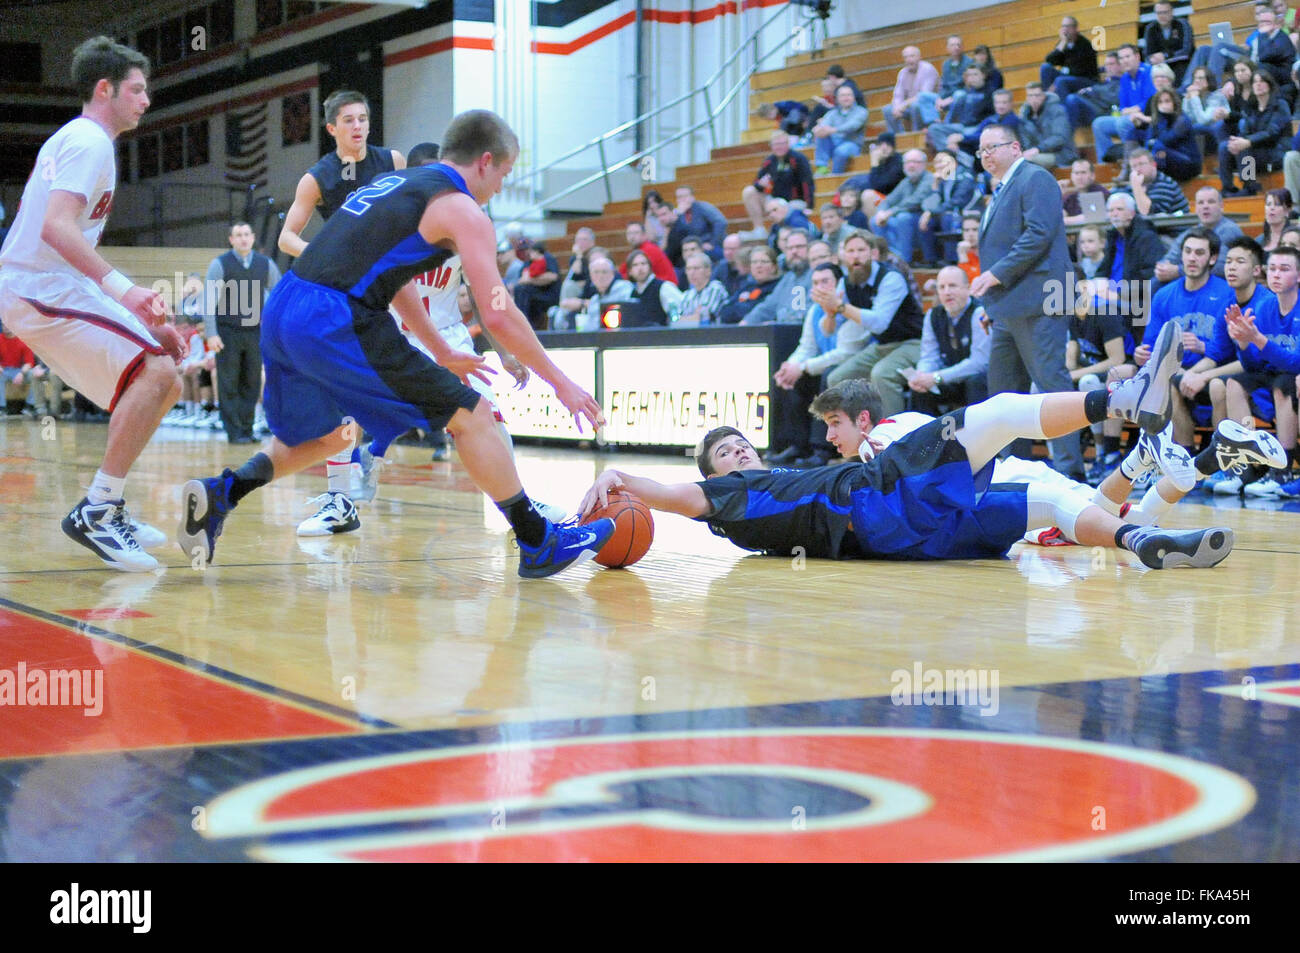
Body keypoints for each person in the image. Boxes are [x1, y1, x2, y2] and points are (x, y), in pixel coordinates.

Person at [178, 109, 615, 579]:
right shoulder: (463, 209)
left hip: (286, 306)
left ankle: (221, 494)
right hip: (335, 314)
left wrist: (442, 351)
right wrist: (563, 383)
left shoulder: (391, 185)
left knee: (329, 434)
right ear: (485, 161)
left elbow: (396, 278)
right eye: (504, 175)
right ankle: (537, 541)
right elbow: (497, 310)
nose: (501, 188)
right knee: (473, 415)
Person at [578, 322, 1235, 570]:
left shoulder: (772, 497)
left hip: (914, 538)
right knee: (1002, 411)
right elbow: (686, 496)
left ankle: (1140, 541)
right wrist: (625, 482)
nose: (740, 454)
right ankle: (1125, 403)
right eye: (726, 453)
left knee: (1041, 501)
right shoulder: (736, 499)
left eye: (743, 445)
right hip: (881, 499)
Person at [0, 36, 182, 572]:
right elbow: (56, 229)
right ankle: (98, 511)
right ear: (104, 89)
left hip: (50, 285)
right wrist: (127, 291)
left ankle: (106, 504)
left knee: (164, 371)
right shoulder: (89, 142)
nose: (146, 100)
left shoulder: (86, 140)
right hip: (38, 285)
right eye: (137, 89)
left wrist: (140, 320)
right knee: (157, 371)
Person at [276, 89, 406, 535]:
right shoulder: (318, 177)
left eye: (364, 118)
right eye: (348, 120)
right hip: (349, 294)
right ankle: (340, 494)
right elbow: (286, 238)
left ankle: (520, 505)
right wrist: (325, 254)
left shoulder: (392, 161)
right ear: (331, 128)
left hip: (400, 288)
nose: (358, 126)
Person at [970, 126, 1082, 480]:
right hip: (1008, 307)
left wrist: (996, 275)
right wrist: (993, 303)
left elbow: (1039, 234)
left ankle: (1070, 475)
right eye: (981, 151)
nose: (986, 155)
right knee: (1003, 397)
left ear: (1015, 147)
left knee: (1052, 387)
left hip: (1043, 300)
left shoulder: (1036, 178)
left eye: (993, 147)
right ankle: (1011, 473)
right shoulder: (1000, 189)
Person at [767, 262, 868, 467]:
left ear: (840, 284)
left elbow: (845, 353)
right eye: (815, 283)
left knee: (827, 375)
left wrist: (803, 367)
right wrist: (791, 365)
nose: (820, 287)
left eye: (825, 282)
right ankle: (797, 444)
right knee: (791, 377)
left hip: (855, 368)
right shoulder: (814, 311)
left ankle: (822, 449)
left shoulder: (852, 307)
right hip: (826, 365)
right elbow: (806, 347)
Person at [1220, 245, 1300, 496]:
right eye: (1272, 268)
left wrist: (1259, 339)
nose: (1276, 274)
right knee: (1235, 383)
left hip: (1291, 379)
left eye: (1284, 269)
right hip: (1274, 375)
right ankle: (1244, 464)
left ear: (1298, 275)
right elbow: (1253, 366)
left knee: (1284, 383)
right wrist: (1244, 343)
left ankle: (1283, 470)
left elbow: (1297, 363)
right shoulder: (1265, 307)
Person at [819, 231, 925, 415]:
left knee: (882, 374)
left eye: (861, 250)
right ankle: (853, 436)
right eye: (850, 251)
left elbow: (879, 323)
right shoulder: (846, 282)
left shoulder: (891, 278)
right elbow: (828, 331)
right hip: (883, 345)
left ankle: (891, 437)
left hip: (915, 343)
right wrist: (829, 314)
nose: (856, 255)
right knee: (837, 378)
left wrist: (841, 307)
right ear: (844, 256)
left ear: (873, 254)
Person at [203, 221, 280, 445]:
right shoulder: (220, 264)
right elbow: (209, 302)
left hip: (257, 332)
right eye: (238, 235)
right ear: (231, 240)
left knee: (252, 382)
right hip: (227, 332)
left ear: (253, 238)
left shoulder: (266, 264)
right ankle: (234, 431)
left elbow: (278, 297)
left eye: (247, 234)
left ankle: (247, 429)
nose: (243, 238)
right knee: (228, 382)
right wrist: (211, 333)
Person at [907, 266, 990, 414]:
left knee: (975, 382)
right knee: (919, 390)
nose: (947, 292)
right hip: (949, 378)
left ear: (968, 288)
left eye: (952, 286)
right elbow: (929, 356)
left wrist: (936, 377)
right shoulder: (932, 315)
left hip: (977, 379)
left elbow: (979, 363)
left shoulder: (979, 313)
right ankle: (926, 435)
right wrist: (922, 376)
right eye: (942, 287)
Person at [1219, 70, 1290, 197]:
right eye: (1255, 82)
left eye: (1262, 81)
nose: (1258, 84)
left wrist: (1247, 142)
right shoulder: (1251, 107)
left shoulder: (1280, 105)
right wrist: (1237, 141)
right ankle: (1227, 187)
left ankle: (1250, 187)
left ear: (1269, 85)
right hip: (1254, 151)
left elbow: (1272, 133)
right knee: (1225, 147)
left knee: (1244, 148)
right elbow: (1245, 131)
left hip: (1275, 151)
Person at [1154, 187, 1243, 285]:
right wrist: (1162, 269)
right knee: (1154, 283)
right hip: (1187, 282)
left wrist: (1178, 271)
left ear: (1221, 206)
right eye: (1201, 203)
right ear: (1195, 208)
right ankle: (1137, 299)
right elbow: (1170, 257)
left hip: (1219, 285)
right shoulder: (1190, 232)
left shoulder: (1230, 230)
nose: (1205, 206)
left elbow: (1220, 267)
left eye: (1211, 202)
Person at [739, 131, 815, 241]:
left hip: (795, 202)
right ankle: (759, 229)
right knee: (749, 191)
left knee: (789, 209)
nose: (780, 147)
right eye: (776, 144)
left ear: (788, 144)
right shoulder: (769, 161)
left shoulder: (799, 159)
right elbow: (757, 182)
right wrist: (760, 185)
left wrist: (809, 206)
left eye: (782, 143)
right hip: (774, 200)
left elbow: (807, 183)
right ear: (771, 146)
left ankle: (783, 234)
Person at [1091, 44, 1156, 164]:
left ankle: (1131, 162)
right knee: (1098, 124)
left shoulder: (1148, 71)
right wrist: (1131, 110)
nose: (1124, 61)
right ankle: (1105, 164)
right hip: (1130, 116)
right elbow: (1123, 106)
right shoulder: (1124, 78)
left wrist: (1135, 109)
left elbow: (1150, 100)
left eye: (1127, 56)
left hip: (1145, 117)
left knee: (1122, 123)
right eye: (1121, 58)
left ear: (1137, 56)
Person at [871, 149, 933, 266]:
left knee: (903, 218)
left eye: (915, 162)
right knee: (875, 220)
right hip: (903, 216)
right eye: (908, 162)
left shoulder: (929, 179)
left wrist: (890, 212)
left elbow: (915, 202)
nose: (911, 165)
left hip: (923, 218)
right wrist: (881, 212)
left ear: (924, 164)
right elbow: (888, 200)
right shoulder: (905, 182)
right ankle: (885, 257)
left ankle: (905, 260)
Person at [741, 228, 811, 325]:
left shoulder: (816, 276)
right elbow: (767, 307)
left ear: (810, 248)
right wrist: (746, 322)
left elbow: (808, 314)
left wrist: (778, 323)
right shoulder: (788, 278)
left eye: (799, 247)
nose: (794, 251)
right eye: (790, 248)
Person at [1131, 89, 1201, 183]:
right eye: (1160, 102)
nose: (1164, 105)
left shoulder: (1182, 120)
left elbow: (1165, 140)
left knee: (1160, 151)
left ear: (1174, 103)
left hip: (1188, 163)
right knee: (1134, 134)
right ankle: (1137, 173)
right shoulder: (1157, 120)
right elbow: (1148, 141)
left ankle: (1158, 181)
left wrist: (1162, 117)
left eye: (1167, 101)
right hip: (1166, 158)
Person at [912, 35, 973, 127]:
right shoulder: (946, 64)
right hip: (946, 96)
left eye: (958, 45)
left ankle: (946, 123)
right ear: (947, 48)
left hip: (960, 96)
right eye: (952, 45)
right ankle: (933, 122)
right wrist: (940, 99)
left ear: (962, 47)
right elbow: (944, 85)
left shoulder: (969, 62)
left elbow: (969, 86)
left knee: (959, 95)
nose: (956, 47)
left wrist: (950, 99)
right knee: (922, 96)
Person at [1113, 148, 1190, 216]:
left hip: (1174, 230)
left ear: (1154, 165)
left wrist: (1137, 187)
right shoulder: (1133, 186)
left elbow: (1148, 214)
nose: (1138, 169)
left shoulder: (1164, 184)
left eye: (1141, 164)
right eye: (1134, 166)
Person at [1018, 81, 1077, 169]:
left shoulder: (1057, 110)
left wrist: (1038, 149)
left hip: (1061, 154)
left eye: (1037, 95)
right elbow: (1025, 141)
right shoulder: (1024, 115)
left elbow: (1060, 138)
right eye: (1030, 96)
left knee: (1027, 162)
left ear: (1043, 96)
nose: (1033, 99)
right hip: (1037, 153)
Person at [811, 84, 868, 175]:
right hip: (834, 142)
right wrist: (818, 130)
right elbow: (824, 125)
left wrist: (833, 130)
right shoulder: (832, 113)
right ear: (837, 98)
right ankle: (822, 167)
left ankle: (835, 175)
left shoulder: (861, 111)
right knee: (821, 135)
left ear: (853, 97)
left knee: (841, 151)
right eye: (843, 95)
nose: (846, 98)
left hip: (852, 144)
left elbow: (852, 126)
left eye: (849, 95)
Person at [1040, 15, 1099, 99]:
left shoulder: (1085, 45)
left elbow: (1078, 71)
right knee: (1045, 67)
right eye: (1063, 26)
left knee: (1060, 81)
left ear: (1075, 29)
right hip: (1069, 77)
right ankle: (1048, 99)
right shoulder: (1064, 44)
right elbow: (1049, 60)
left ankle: (1065, 107)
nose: (1065, 29)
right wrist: (1063, 43)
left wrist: (1056, 82)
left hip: (1086, 80)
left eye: (1068, 26)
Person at [885, 46, 938, 134]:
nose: (909, 60)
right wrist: (896, 107)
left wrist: (904, 105)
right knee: (887, 110)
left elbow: (924, 96)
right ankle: (900, 139)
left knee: (915, 106)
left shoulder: (928, 69)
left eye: (912, 56)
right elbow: (898, 95)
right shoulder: (902, 73)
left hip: (928, 106)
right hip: (908, 106)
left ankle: (916, 136)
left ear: (920, 57)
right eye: (906, 57)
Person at [625, 248, 683, 325]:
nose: (640, 268)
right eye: (635, 265)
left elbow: (681, 314)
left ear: (650, 267)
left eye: (643, 263)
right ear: (630, 271)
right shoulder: (630, 294)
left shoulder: (664, 287)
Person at [577, 256, 634, 332]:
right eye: (596, 272)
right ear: (591, 276)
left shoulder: (624, 288)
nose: (600, 276)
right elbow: (588, 329)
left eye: (604, 272)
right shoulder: (594, 300)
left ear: (613, 274)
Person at [1144, 1, 1194, 86]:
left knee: (1180, 68)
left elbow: (1186, 50)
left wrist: (1165, 56)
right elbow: (1148, 54)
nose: (1161, 16)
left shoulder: (1182, 24)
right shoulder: (1151, 29)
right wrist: (1153, 59)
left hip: (1181, 64)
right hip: (1160, 66)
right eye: (1159, 13)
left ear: (1171, 12)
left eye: (1165, 12)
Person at [673, 186, 727, 260]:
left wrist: (712, 243)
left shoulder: (703, 207)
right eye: (679, 197)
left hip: (710, 246)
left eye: (685, 196)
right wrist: (678, 216)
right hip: (689, 248)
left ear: (692, 197)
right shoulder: (679, 213)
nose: (682, 200)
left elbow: (721, 222)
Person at [677, 253, 730, 326]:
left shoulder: (716, 288)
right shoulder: (686, 295)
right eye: (688, 269)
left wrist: (687, 319)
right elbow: (676, 322)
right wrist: (694, 317)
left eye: (696, 268)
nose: (692, 273)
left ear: (708, 271)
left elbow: (705, 318)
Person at [1060, 158, 1109, 225]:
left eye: (1083, 172)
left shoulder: (1100, 192)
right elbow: (1058, 219)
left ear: (1092, 176)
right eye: (1076, 173)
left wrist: (1068, 220)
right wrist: (1058, 196)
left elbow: (1092, 218)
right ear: (1071, 176)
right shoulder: (1070, 197)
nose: (1079, 177)